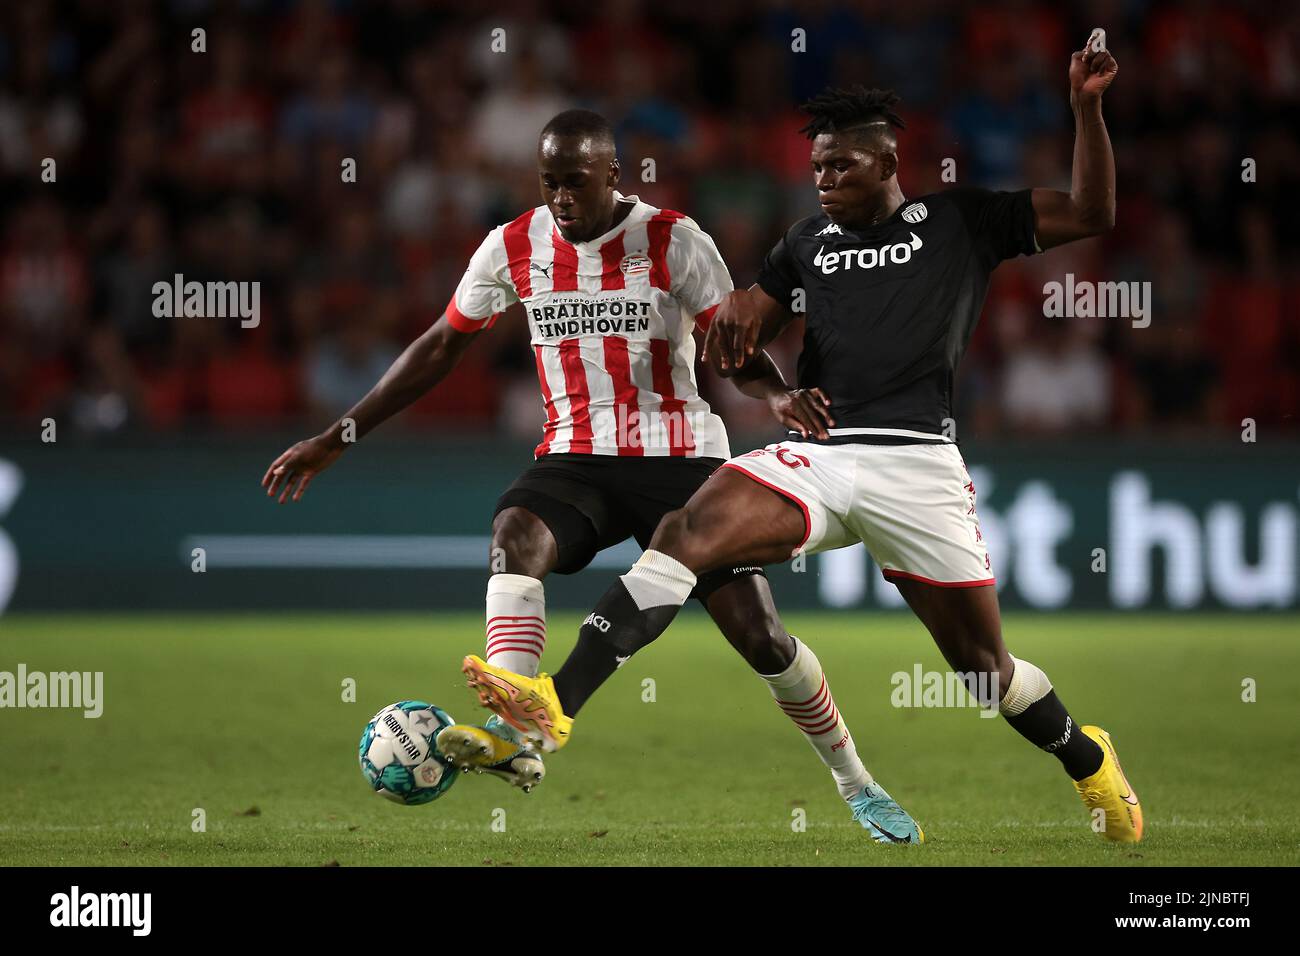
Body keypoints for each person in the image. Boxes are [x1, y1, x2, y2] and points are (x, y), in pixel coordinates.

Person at [464, 39, 1142, 843]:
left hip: (916, 464)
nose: (823, 181)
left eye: (841, 166)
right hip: (821, 454)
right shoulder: (805, 244)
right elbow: (744, 336)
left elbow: (1094, 212)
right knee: (688, 530)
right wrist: (745, 345)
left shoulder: (966, 220)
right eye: (816, 167)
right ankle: (555, 703)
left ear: (889, 160)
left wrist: (1087, 111)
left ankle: (1087, 758)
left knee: (985, 676)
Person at [265, 109, 919, 842]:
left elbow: (730, 345)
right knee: (515, 532)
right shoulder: (511, 246)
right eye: (549, 183)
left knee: (763, 639)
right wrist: (338, 434)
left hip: (682, 461)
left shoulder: (674, 240)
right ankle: (513, 726)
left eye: (576, 182)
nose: (561, 198)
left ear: (613, 175)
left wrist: (778, 396)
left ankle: (855, 782)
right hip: (575, 457)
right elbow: (440, 346)